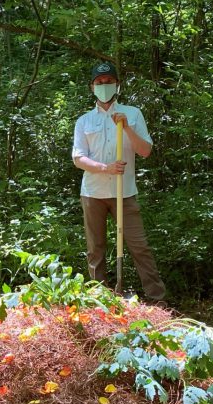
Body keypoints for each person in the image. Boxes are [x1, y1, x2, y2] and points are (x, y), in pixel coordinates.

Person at [71, 61, 166, 301]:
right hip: (92, 193)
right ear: (92, 87)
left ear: (117, 85)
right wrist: (106, 168)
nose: (104, 85)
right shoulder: (84, 121)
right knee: (95, 249)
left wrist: (126, 128)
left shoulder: (132, 114)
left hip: (125, 192)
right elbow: (78, 158)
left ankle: (157, 299)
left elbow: (145, 151)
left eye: (109, 81)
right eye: (99, 82)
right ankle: (99, 299)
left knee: (139, 246)